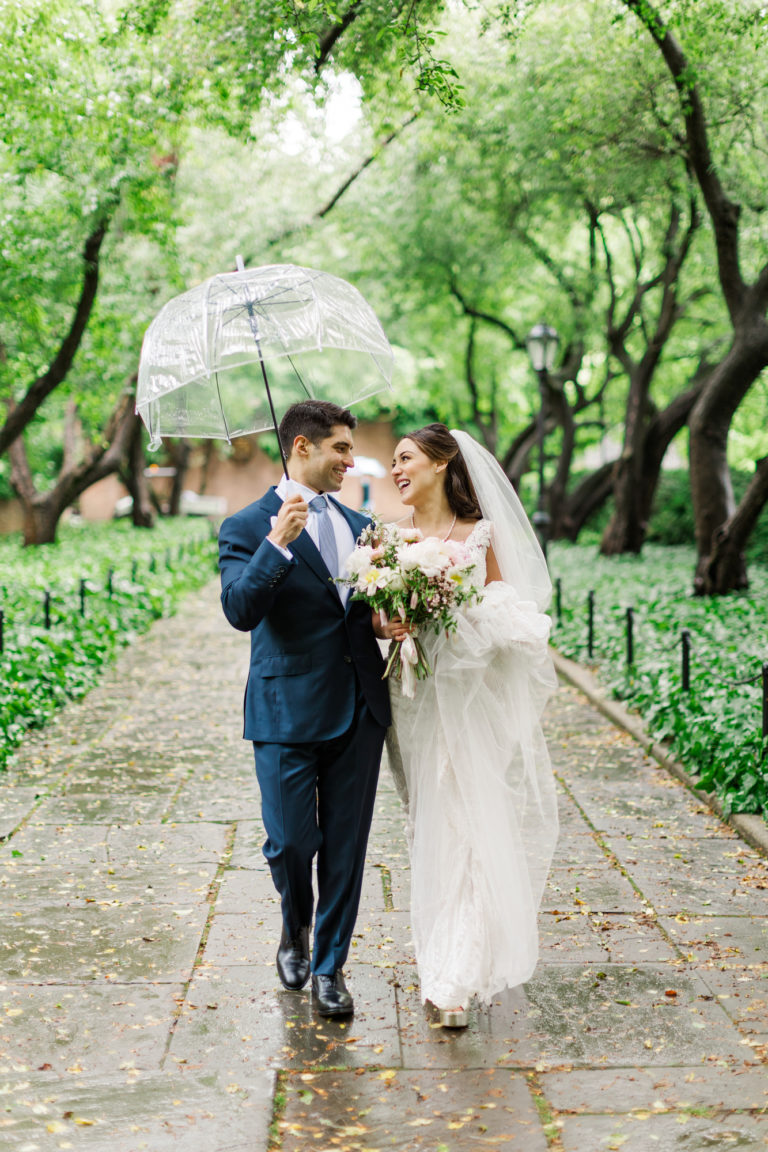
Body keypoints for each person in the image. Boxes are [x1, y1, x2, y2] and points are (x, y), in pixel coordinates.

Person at [218, 400, 396, 1018]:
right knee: (292, 841)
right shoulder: (245, 526)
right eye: (340, 448)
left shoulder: (362, 523)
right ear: (302, 447)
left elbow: (363, 612)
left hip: (359, 707)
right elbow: (240, 611)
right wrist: (276, 544)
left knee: (345, 844)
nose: (351, 459)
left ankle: (329, 967)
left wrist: (386, 620)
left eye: (349, 448)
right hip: (284, 707)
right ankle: (294, 924)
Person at [386, 423, 558, 1028]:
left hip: (469, 701)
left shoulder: (480, 535)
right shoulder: (386, 541)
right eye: (393, 463)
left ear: (442, 462)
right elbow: (377, 619)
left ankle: (452, 975)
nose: (396, 470)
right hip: (411, 702)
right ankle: (443, 949)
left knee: (466, 816)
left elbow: (510, 615)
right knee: (427, 817)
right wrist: (393, 623)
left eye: (405, 458)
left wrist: (461, 613)